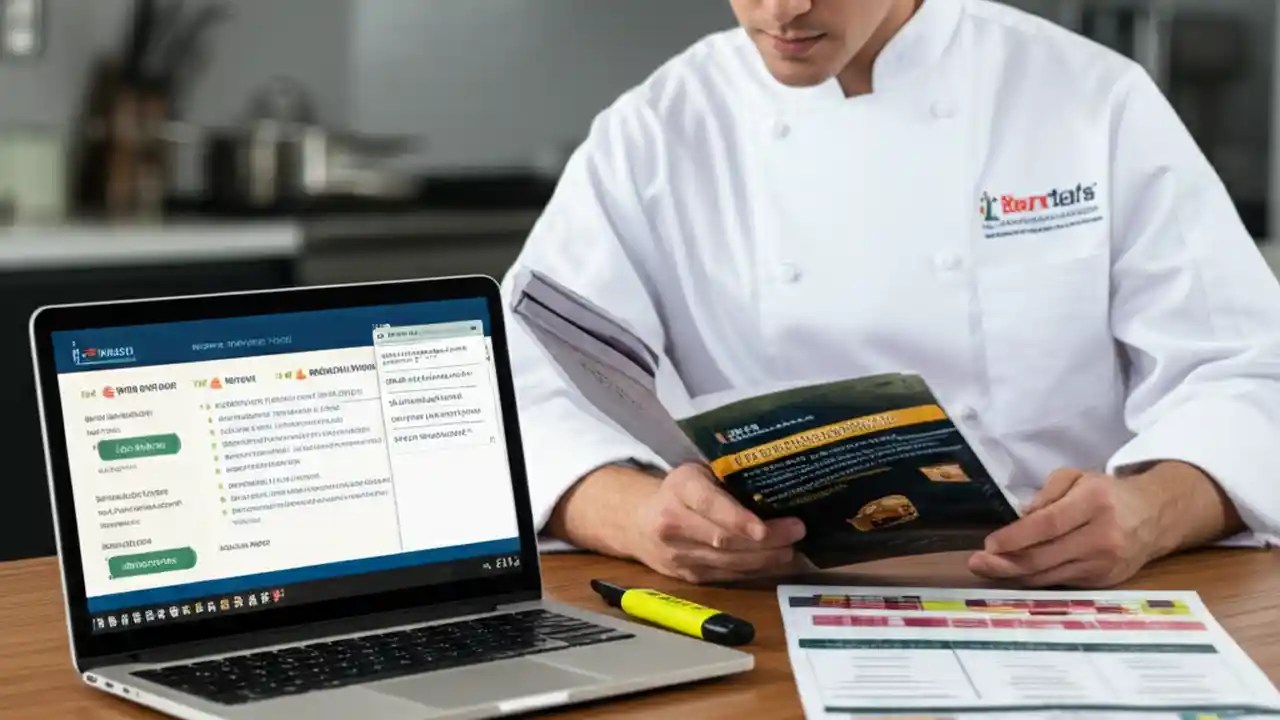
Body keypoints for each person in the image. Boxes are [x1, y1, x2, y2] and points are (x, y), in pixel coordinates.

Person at [498, 0, 1280, 588]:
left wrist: (1152, 513)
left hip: (1069, 599)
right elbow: (520, 394)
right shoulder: (659, 128)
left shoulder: (1089, 101)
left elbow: (1246, 375)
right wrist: (637, 517)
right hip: (769, 616)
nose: (781, 9)